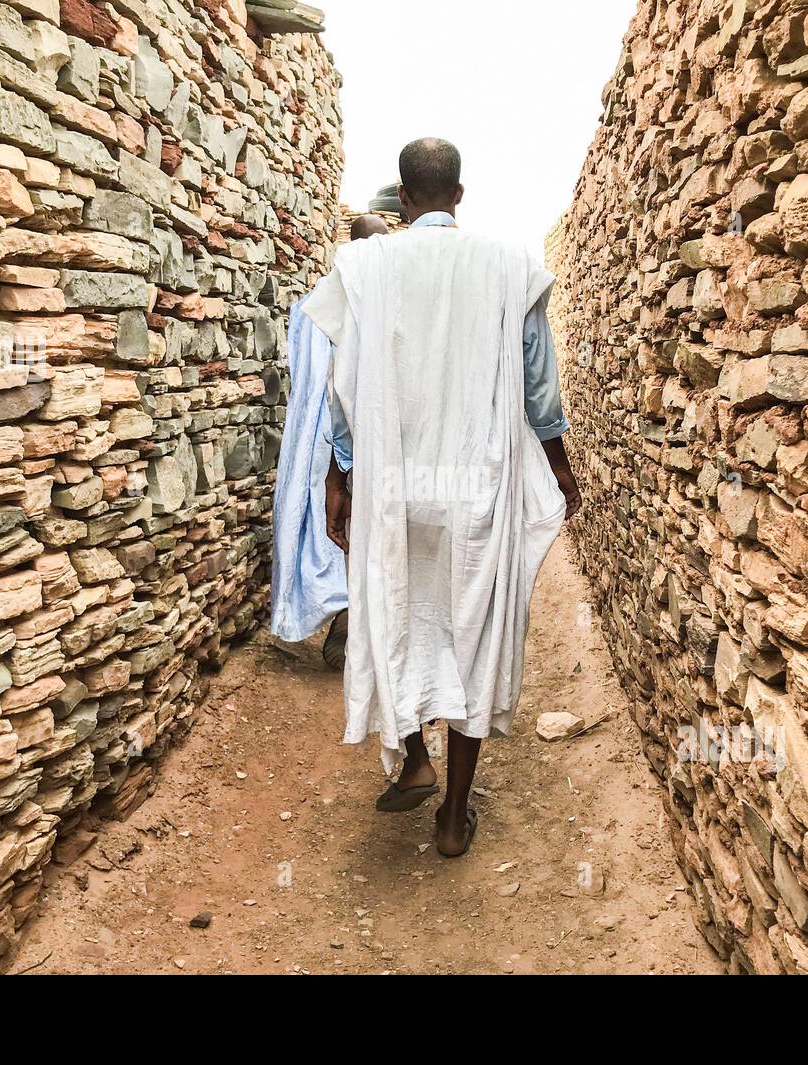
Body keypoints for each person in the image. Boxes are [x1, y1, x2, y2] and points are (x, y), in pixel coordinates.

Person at [301, 138, 581, 858]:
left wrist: (342, 474)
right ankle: (454, 817)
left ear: (403, 196)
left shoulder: (364, 266)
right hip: (475, 486)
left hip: (396, 486)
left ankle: (411, 755)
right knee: (471, 635)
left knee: (394, 607)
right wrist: (561, 465)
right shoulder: (508, 263)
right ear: (458, 195)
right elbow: (538, 384)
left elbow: (343, 390)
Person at [269, 213, 389, 667]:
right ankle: (357, 618)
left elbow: (302, 375)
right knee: (363, 521)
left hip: (317, 433)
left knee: (326, 525)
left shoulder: (312, 303)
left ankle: (340, 610)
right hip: (360, 427)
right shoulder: (379, 302)